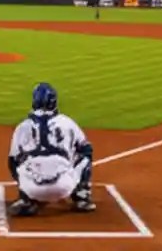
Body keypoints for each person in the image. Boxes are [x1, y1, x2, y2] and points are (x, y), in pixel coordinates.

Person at [7, 82, 96, 217]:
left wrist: (24, 185)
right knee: (84, 156)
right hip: (64, 186)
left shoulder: (23, 126)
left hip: (32, 188)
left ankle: (26, 200)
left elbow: (12, 162)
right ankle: (81, 197)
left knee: (20, 160)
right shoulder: (67, 122)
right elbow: (87, 149)